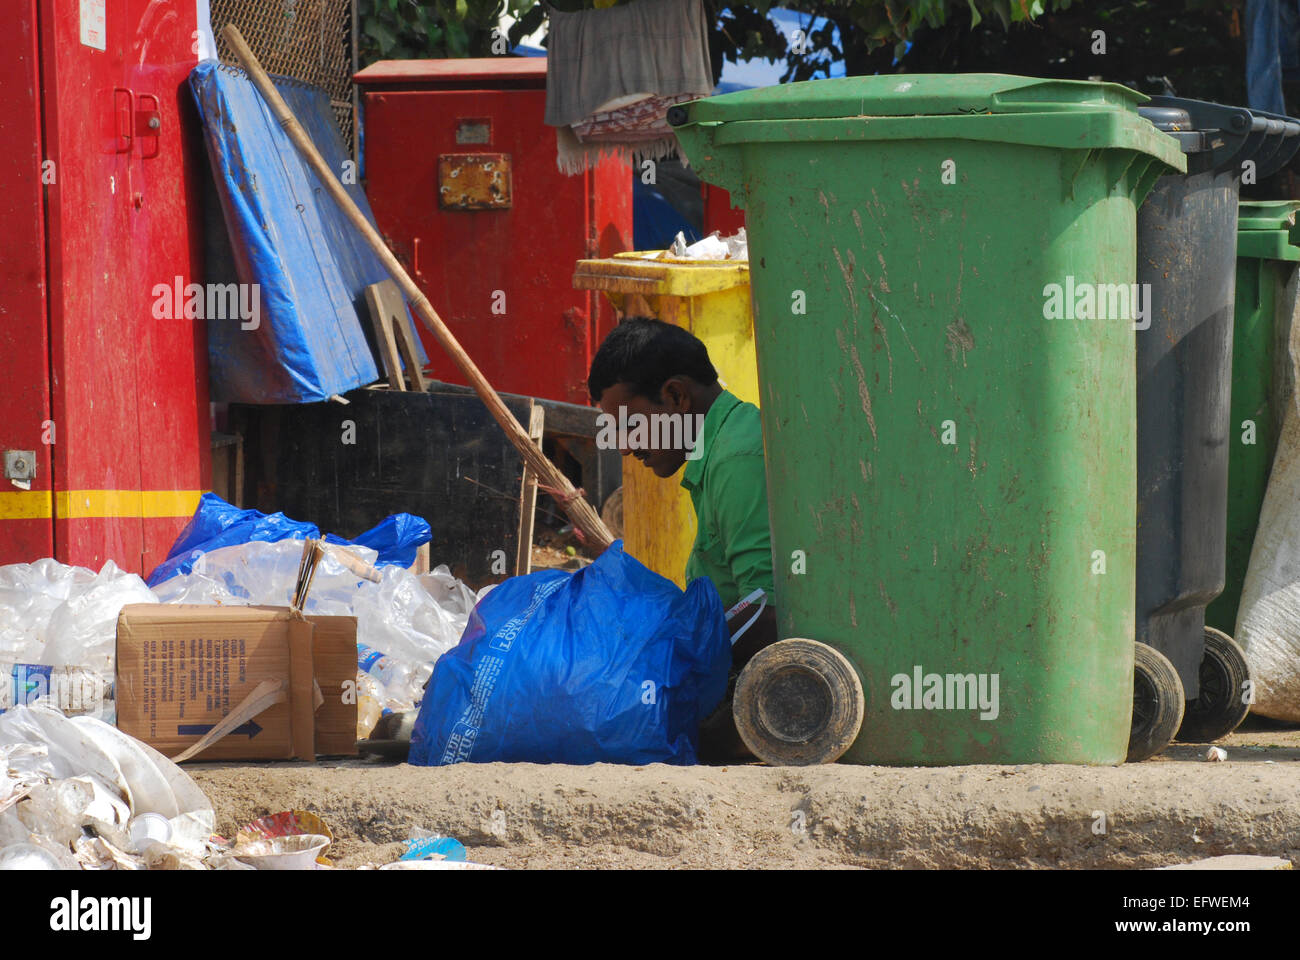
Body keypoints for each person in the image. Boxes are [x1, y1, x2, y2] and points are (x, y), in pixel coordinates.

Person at [587, 317, 776, 761]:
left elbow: (770, 613)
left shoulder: (736, 462)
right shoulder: (719, 449)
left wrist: (661, 664)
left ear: (675, 396)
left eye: (629, 426)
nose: (624, 448)